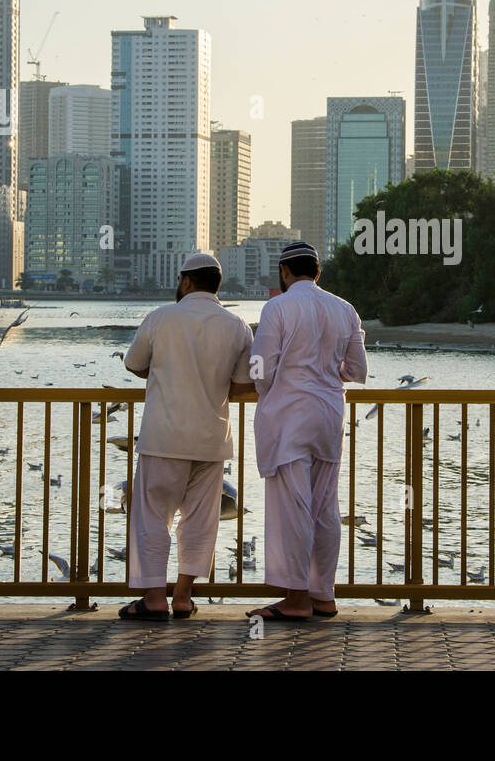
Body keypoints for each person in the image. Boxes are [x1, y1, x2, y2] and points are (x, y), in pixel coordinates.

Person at [118, 254, 255, 620]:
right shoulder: (238, 325)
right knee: (200, 519)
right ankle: (182, 597)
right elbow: (242, 384)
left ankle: (153, 599)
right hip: (211, 439)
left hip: (163, 436)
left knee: (152, 516)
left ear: (187, 282)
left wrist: (166, 371)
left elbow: (134, 364)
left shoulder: (161, 317)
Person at [247, 241, 367, 620]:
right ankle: (323, 595)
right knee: (324, 508)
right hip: (329, 415)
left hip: (289, 418)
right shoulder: (345, 309)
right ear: (318, 272)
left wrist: (271, 389)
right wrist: (328, 373)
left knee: (294, 508)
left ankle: (296, 600)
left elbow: (260, 370)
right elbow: (357, 371)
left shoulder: (278, 307)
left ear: (284, 272)